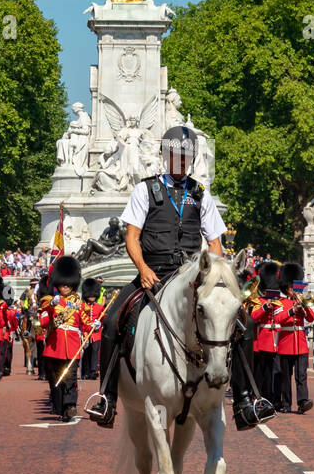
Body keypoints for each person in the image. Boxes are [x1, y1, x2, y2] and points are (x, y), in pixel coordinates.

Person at [85, 124, 272, 430]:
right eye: (177, 156)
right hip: (153, 273)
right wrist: (143, 270)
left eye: (187, 156)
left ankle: (245, 401)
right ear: (166, 156)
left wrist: (217, 275)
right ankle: (106, 398)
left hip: (191, 276)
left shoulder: (200, 194)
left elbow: (214, 243)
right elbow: (132, 237)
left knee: (243, 325)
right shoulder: (145, 189)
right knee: (111, 322)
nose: (182, 162)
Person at [40, 255, 90, 421]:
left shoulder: (78, 304)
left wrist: (94, 325)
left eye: (68, 284)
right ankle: (61, 407)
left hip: (73, 346)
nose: (66, 287)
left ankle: (70, 406)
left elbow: (86, 321)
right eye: (63, 284)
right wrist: (52, 306)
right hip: (55, 346)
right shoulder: (51, 301)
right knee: (56, 380)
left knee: (69, 377)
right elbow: (44, 320)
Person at [273, 262, 314, 413]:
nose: (292, 290)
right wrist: (292, 310)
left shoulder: (302, 301)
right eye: (290, 287)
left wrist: (303, 306)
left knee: (301, 375)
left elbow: (311, 318)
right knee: (286, 377)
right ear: (285, 288)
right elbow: (278, 320)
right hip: (285, 344)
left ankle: (303, 401)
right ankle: (286, 404)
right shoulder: (281, 303)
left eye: (294, 287)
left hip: (300, 344)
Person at [249, 261, 283, 407]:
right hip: (262, 339)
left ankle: (271, 397)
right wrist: (265, 306)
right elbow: (254, 317)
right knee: (260, 371)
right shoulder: (259, 301)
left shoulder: (281, 302)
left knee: (274, 371)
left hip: (277, 340)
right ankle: (258, 395)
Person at [80, 277, 105, 380]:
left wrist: (99, 323)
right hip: (85, 333)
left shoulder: (100, 307)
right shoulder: (82, 306)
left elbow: (103, 319)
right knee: (86, 352)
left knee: (95, 350)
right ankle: (85, 372)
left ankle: (93, 370)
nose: (92, 296)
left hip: (96, 334)